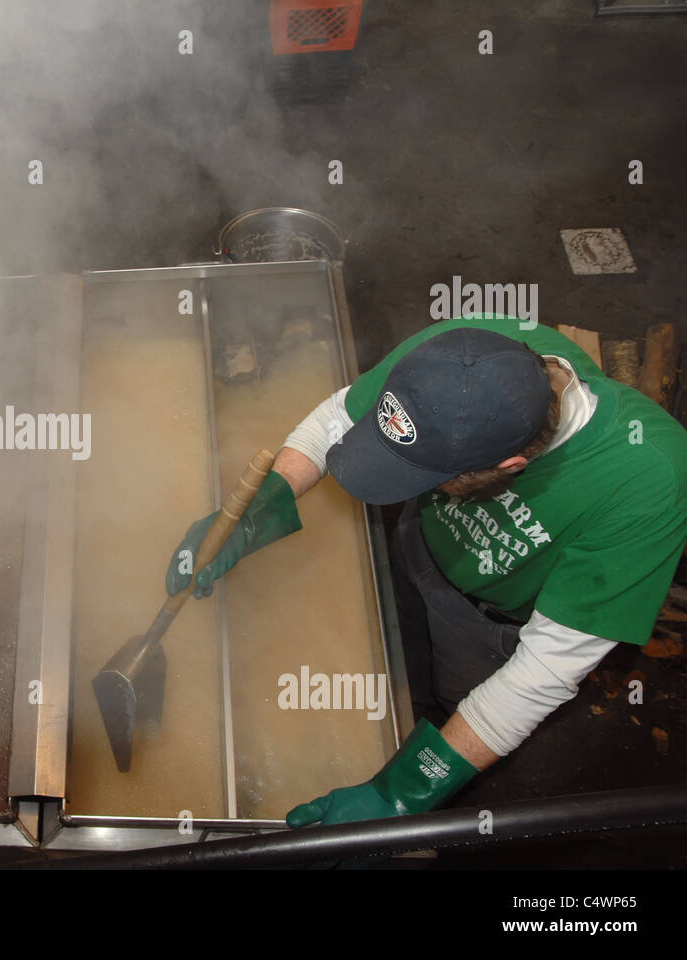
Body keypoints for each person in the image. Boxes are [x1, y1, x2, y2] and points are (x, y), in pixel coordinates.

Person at [167, 316, 687, 825]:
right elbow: (336, 418)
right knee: (402, 646)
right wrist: (256, 513)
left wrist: (403, 794)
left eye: (428, 476)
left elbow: (544, 670)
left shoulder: (647, 484)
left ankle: (434, 718)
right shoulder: (467, 350)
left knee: (456, 696)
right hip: (419, 546)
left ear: (510, 467)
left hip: (488, 623)